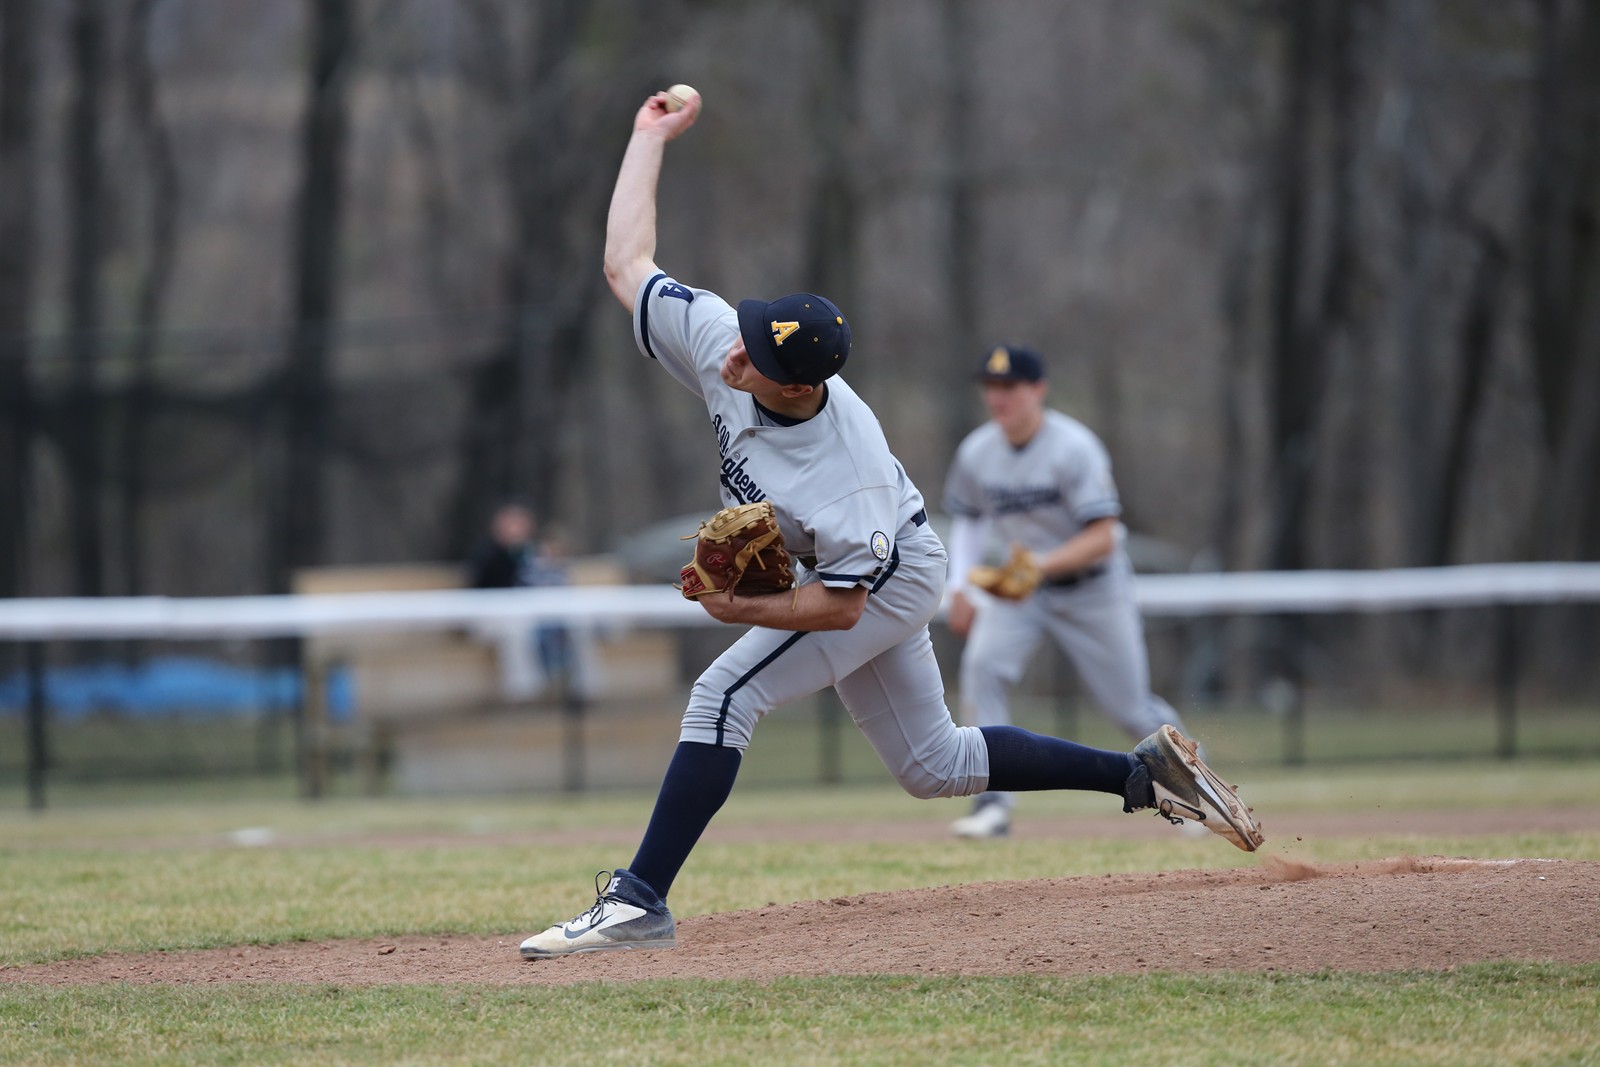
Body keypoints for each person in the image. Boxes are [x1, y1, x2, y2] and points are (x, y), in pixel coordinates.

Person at [518, 88, 1263, 959]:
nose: (731, 352)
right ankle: (1144, 777)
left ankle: (640, 899)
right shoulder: (732, 343)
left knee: (724, 693)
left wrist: (740, 610)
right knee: (934, 767)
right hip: (856, 568)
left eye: (754, 354)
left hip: (888, 573)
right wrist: (648, 137)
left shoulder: (846, 479)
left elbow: (838, 609)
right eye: (747, 332)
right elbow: (625, 263)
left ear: (797, 386)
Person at [942, 346, 1196, 839]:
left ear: (1038, 389)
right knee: (982, 669)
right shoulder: (977, 451)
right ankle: (992, 805)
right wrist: (959, 587)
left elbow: (1105, 535)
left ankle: (1192, 783)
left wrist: (1040, 564)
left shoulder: (1074, 447)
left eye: (1010, 386)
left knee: (1130, 708)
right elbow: (969, 520)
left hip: (1092, 589)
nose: (999, 396)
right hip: (1023, 593)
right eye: (991, 387)